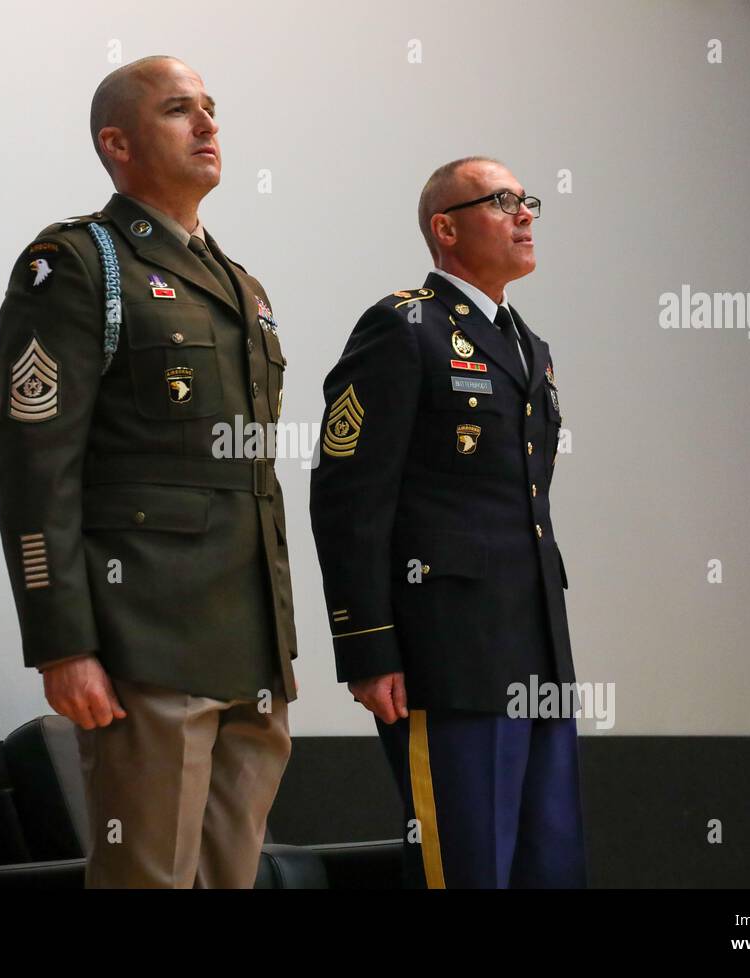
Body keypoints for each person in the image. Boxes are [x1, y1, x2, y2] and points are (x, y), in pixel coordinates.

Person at [0, 55, 297, 888]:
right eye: (178, 111)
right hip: (149, 638)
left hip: (251, 644)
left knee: (228, 878)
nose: (207, 125)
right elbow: (34, 466)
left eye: (210, 109)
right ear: (116, 143)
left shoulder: (241, 286)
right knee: (147, 879)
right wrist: (64, 641)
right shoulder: (79, 263)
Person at [308, 156, 587, 888]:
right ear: (446, 228)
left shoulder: (530, 346)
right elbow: (348, 495)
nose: (525, 213)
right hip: (450, 655)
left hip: (537, 650)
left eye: (528, 201)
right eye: (503, 202)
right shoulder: (404, 328)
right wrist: (367, 645)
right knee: (464, 867)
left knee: (548, 866)